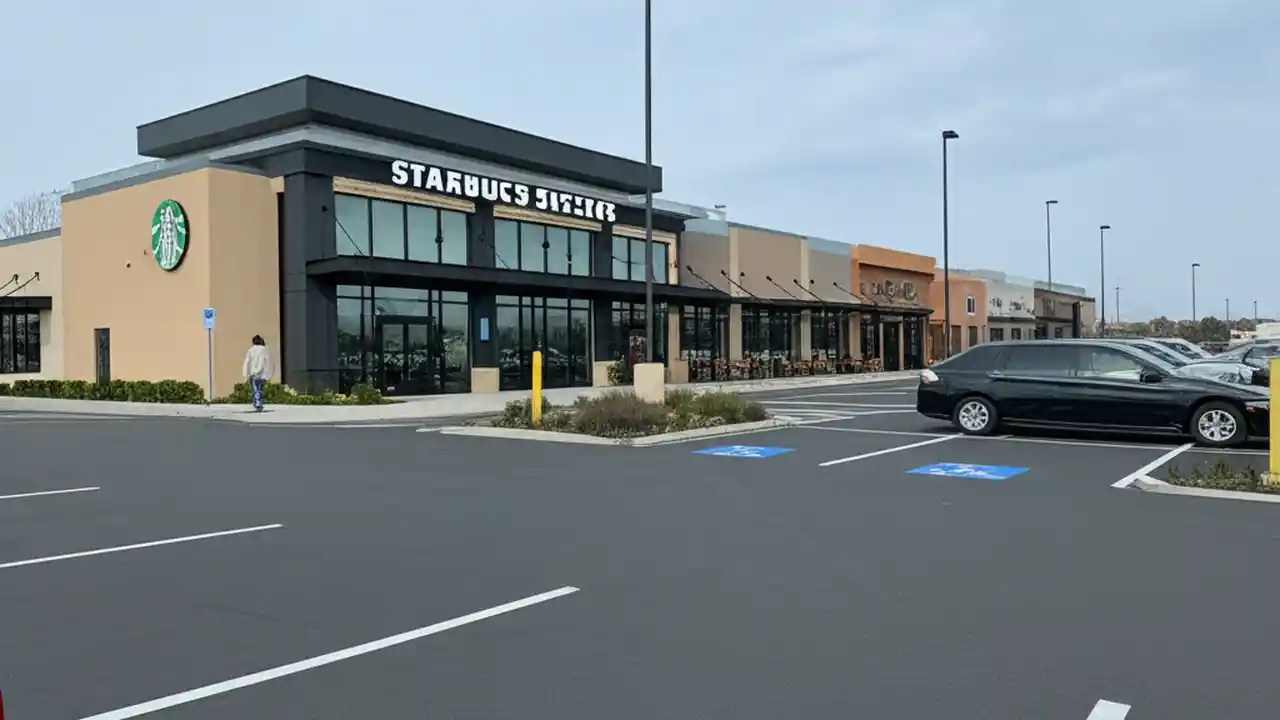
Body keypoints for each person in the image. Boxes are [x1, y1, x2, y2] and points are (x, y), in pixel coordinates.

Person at [242, 335, 273, 411]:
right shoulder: (264, 349)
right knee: (260, 389)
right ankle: (259, 403)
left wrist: (246, 372)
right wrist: (269, 373)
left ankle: (257, 403)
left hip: (254, 373)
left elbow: (247, 361)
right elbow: (268, 361)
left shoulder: (251, 350)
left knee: (256, 389)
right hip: (262, 373)